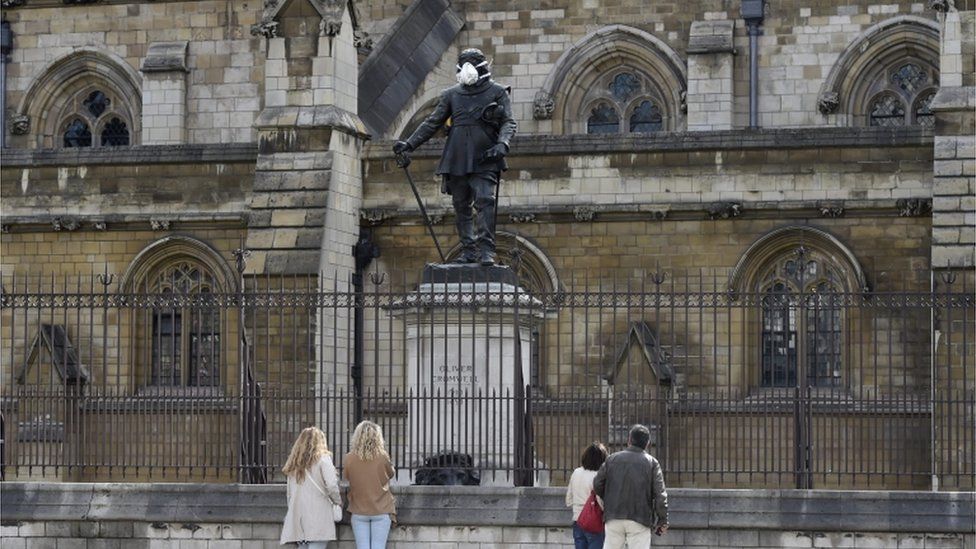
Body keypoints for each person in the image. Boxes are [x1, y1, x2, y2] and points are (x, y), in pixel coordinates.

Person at [393, 48, 517, 266]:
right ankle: (469, 251)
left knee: (485, 200)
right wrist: (410, 144)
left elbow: (508, 121)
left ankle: (486, 250)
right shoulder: (451, 94)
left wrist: (502, 143)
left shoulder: (497, 92)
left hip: (485, 155)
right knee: (460, 204)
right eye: (464, 63)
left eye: (471, 63)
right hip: (457, 154)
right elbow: (432, 122)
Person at [593, 425, 669, 549]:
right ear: (648, 443)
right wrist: (662, 520)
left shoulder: (611, 459)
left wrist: (609, 498)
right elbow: (660, 494)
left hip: (613, 515)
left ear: (629, 440)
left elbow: (597, 484)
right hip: (640, 518)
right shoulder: (652, 463)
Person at [280, 427, 342, 549]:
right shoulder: (323, 459)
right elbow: (331, 485)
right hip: (318, 514)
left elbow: (289, 493)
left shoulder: (294, 463)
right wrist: (338, 501)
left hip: (299, 516)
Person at [344, 420, 396, 549]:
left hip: (358, 509)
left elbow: (347, 476)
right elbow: (391, 474)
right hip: (381, 509)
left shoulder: (349, 458)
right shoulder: (383, 456)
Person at [566, 442, 609, 549]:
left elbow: (569, 500)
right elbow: (600, 501)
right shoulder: (599, 475)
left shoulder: (576, 472)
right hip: (595, 521)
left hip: (578, 520)